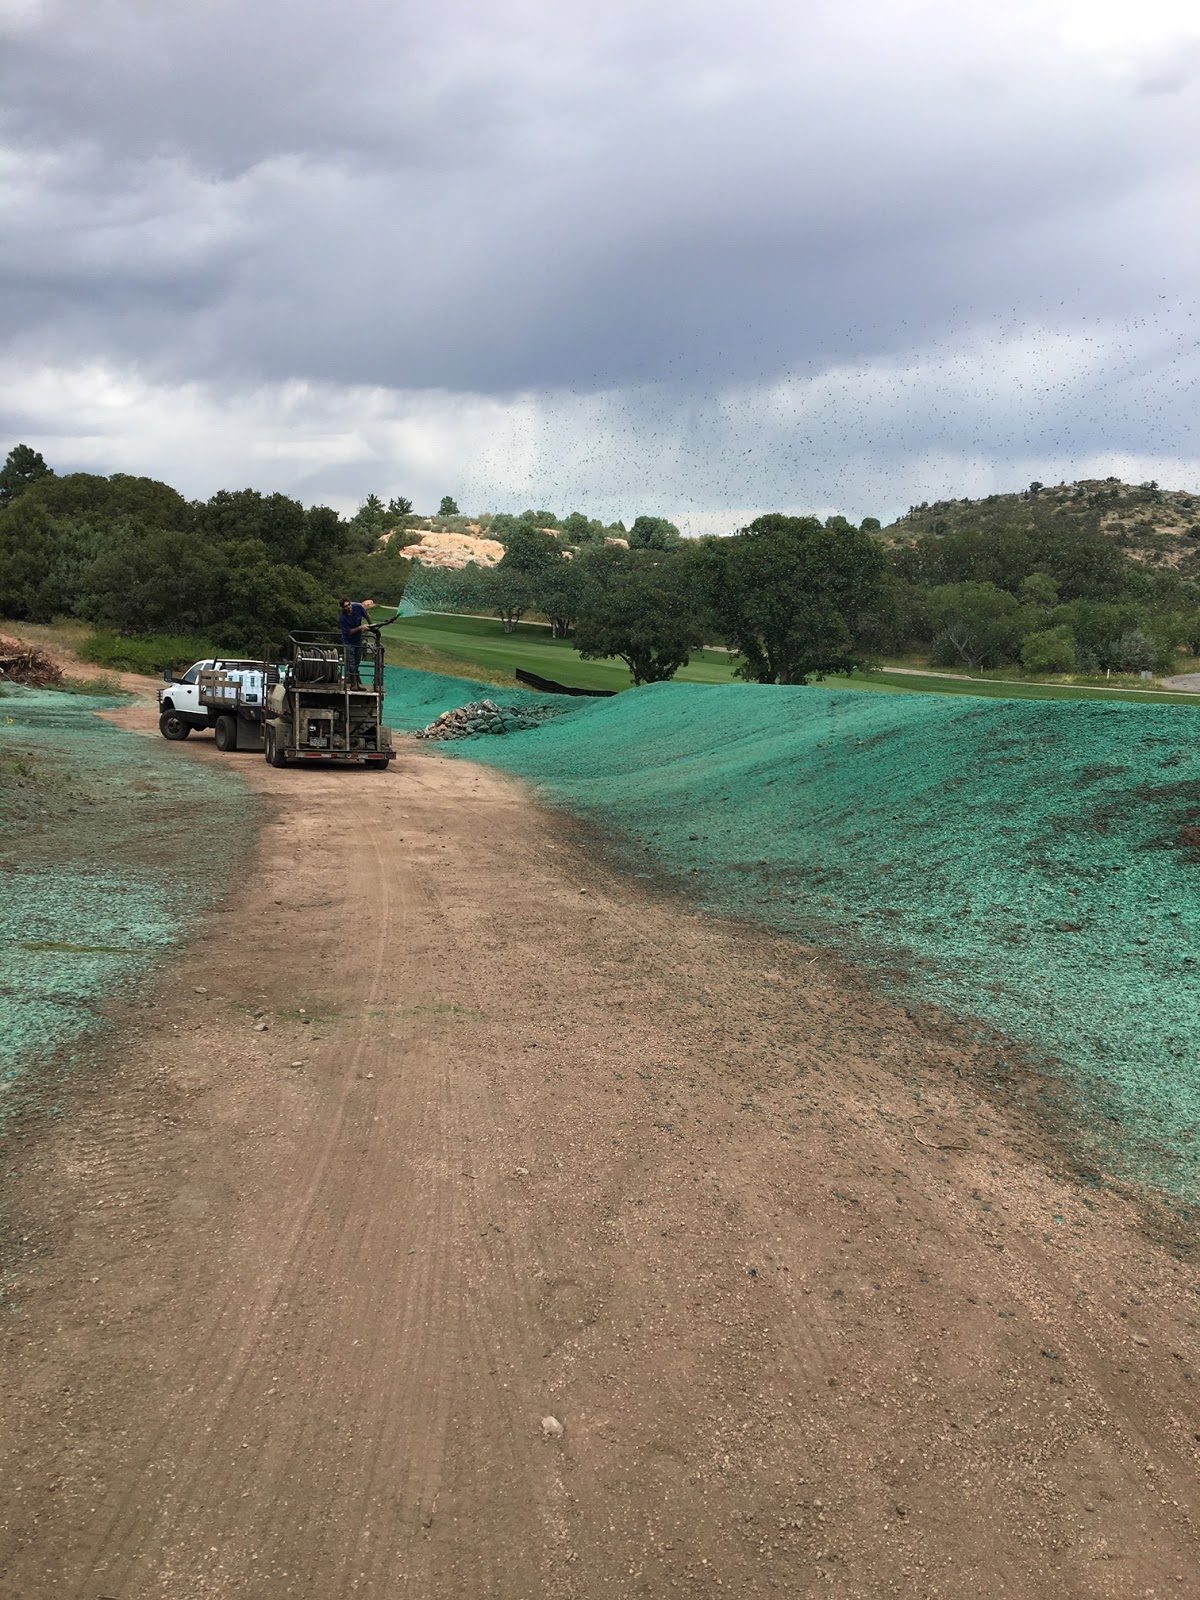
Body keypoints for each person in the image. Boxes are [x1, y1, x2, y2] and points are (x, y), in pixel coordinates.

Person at [339, 597, 374, 687]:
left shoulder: (358, 607)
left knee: (357, 662)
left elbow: (366, 615)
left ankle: (356, 683)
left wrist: (372, 626)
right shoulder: (343, 618)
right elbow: (349, 632)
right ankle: (353, 684)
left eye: (349, 604)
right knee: (351, 663)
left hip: (358, 640)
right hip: (348, 641)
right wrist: (360, 628)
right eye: (346, 606)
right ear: (343, 608)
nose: (348, 607)